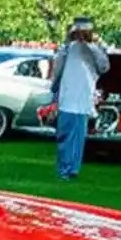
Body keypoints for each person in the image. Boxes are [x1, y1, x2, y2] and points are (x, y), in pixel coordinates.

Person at [50, 16, 110, 180]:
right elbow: (58, 69)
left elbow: (104, 67)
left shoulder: (96, 49)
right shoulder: (68, 48)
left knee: (77, 137)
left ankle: (72, 169)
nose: (81, 35)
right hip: (67, 98)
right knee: (65, 135)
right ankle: (64, 169)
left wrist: (91, 45)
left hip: (83, 99)